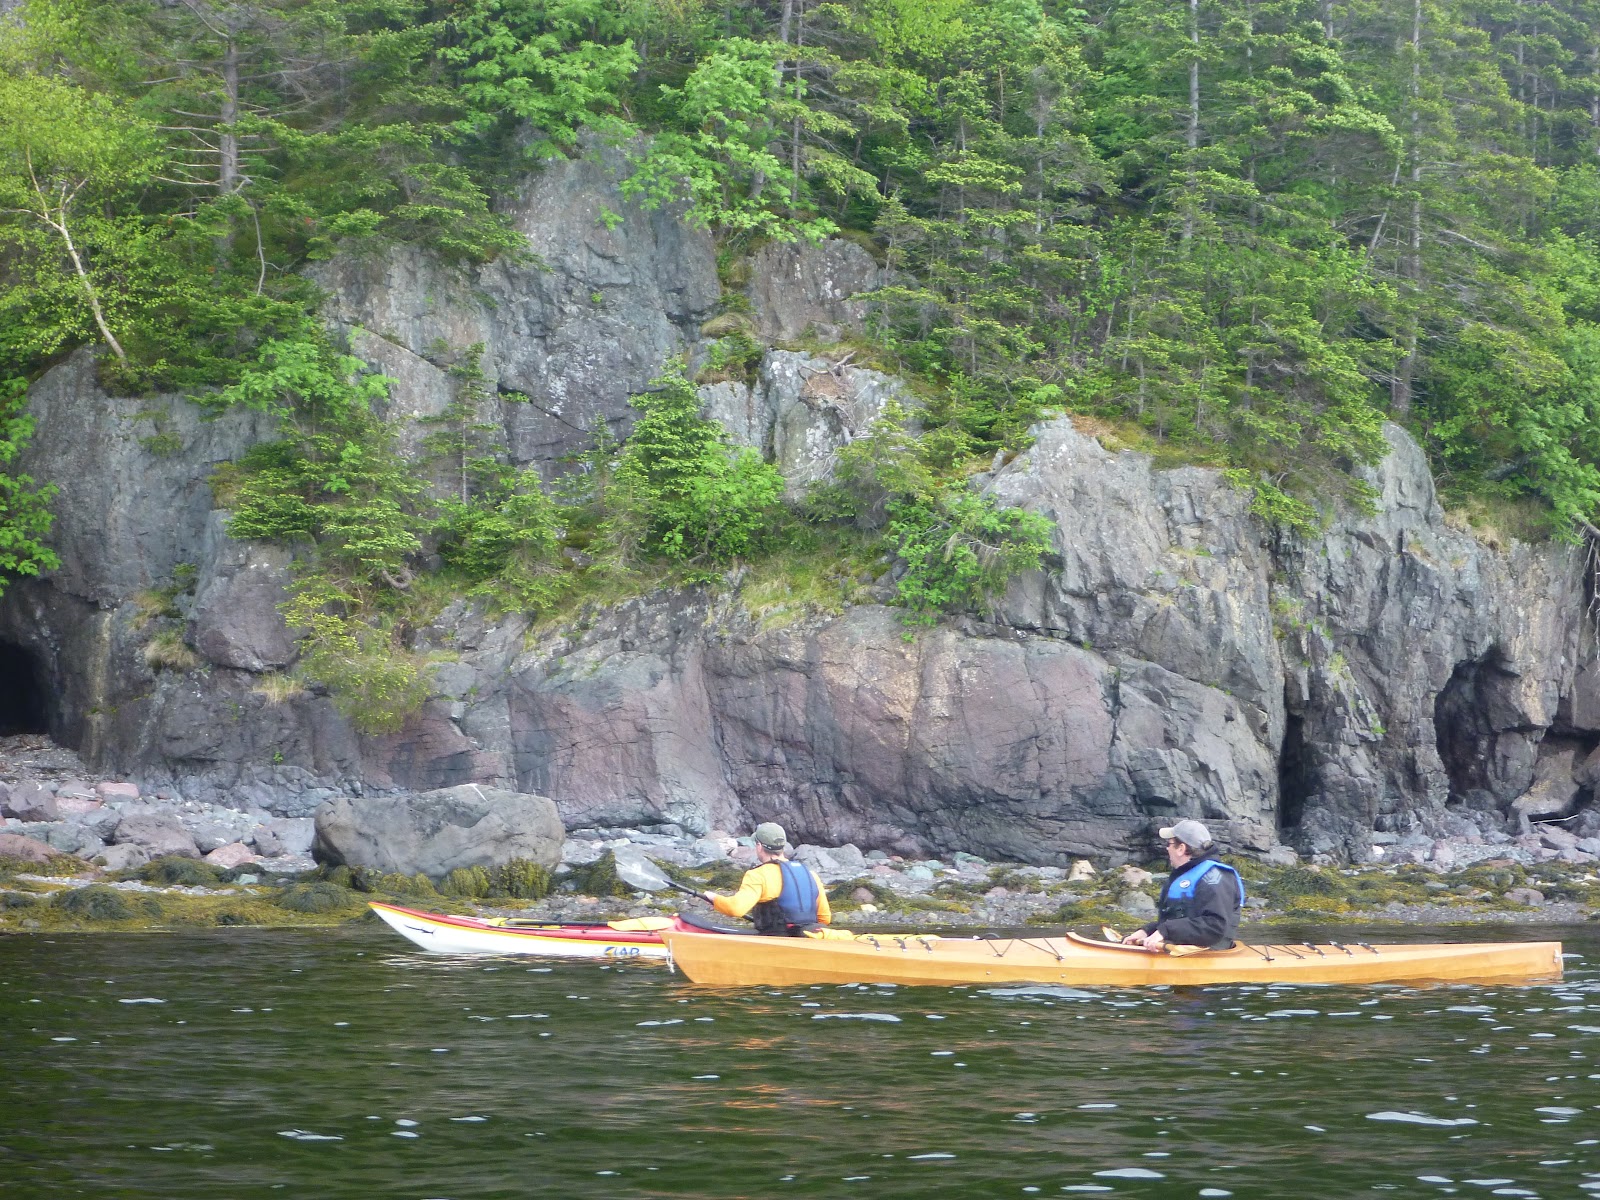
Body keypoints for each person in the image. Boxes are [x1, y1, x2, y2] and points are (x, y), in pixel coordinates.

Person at [1121, 819, 1243, 952]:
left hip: (1210, 956)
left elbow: (1214, 926)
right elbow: (1179, 921)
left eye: (1169, 844)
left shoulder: (1215, 878)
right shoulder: (1187, 874)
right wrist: (1147, 931)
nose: (1167, 848)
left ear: (1181, 849)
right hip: (1181, 952)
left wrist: (1165, 931)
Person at [705, 822, 832, 936]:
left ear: (759, 846)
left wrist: (714, 898)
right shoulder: (811, 874)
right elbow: (825, 919)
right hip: (808, 938)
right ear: (782, 846)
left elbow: (735, 909)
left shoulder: (757, 875)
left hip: (776, 941)